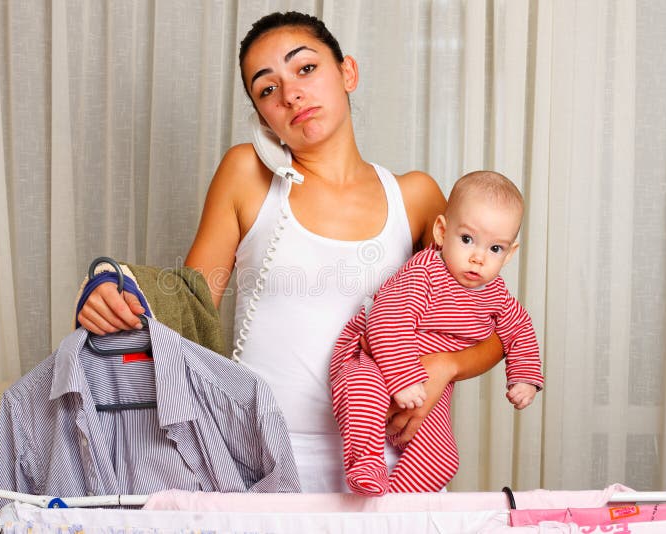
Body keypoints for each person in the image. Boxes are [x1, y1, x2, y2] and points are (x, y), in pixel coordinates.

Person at [76, 11, 504, 493]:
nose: (291, 94)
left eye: (305, 69)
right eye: (266, 89)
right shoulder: (246, 174)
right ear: (263, 119)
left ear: (348, 73)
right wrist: (113, 291)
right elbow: (190, 309)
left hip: (387, 459)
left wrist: (444, 368)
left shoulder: (417, 197)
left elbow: (494, 328)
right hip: (264, 457)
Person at [330, 171, 544, 496]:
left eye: (495, 248)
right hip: (372, 361)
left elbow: (519, 329)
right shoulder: (425, 273)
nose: (478, 257)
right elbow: (388, 319)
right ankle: (366, 462)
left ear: (509, 253)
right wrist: (403, 378)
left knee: (443, 458)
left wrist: (524, 377)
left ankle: (395, 506)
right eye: (467, 239)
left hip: (428, 388)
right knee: (362, 393)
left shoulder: (495, 294)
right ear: (442, 232)